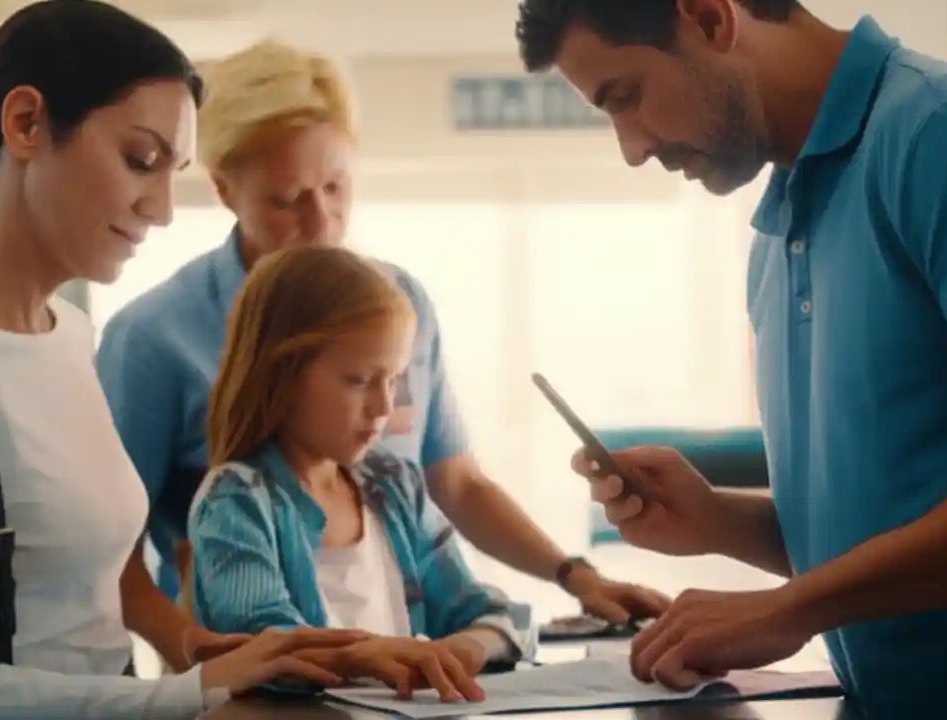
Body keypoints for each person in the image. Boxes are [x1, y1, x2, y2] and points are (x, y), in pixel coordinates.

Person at [0, 2, 362, 717]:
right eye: (140, 161)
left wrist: (205, 649)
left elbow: (79, 607)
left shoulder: (65, 335)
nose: (160, 210)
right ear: (26, 124)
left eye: (171, 174)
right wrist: (174, 700)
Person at [516, 0, 947, 716]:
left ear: (709, 18)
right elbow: (896, 535)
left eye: (626, 96)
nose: (632, 147)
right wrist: (718, 521)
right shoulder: (776, 233)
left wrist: (789, 609)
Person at [96, 37, 671, 673]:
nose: (321, 222)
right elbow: (109, 553)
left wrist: (575, 576)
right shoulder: (152, 338)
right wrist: (200, 657)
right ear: (228, 190)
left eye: (336, 187)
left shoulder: (401, 308)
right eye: (288, 200)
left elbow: (456, 482)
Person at [190, 245, 528, 704]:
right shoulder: (235, 501)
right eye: (358, 380)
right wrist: (364, 655)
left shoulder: (396, 487)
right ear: (280, 373)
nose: (384, 407)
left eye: (392, 380)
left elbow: (494, 613)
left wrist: (466, 647)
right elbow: (267, 643)